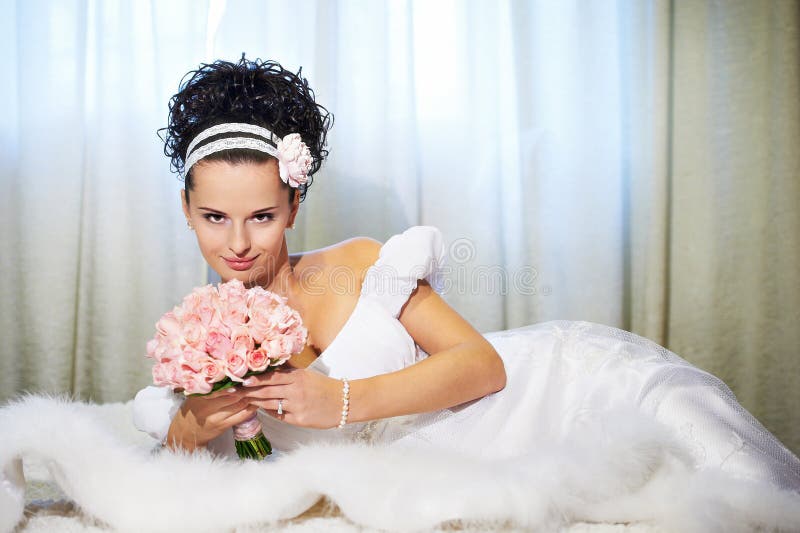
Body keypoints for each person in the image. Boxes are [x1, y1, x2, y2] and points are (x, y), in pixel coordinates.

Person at [133, 56, 800, 515]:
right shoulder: (193, 348)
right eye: (214, 217)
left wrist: (339, 400)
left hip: (544, 394)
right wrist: (189, 430)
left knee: (752, 494)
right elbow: (190, 487)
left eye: (262, 216)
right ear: (187, 211)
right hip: (457, 476)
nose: (238, 243)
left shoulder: (359, 262)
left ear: (294, 206)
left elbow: (484, 365)